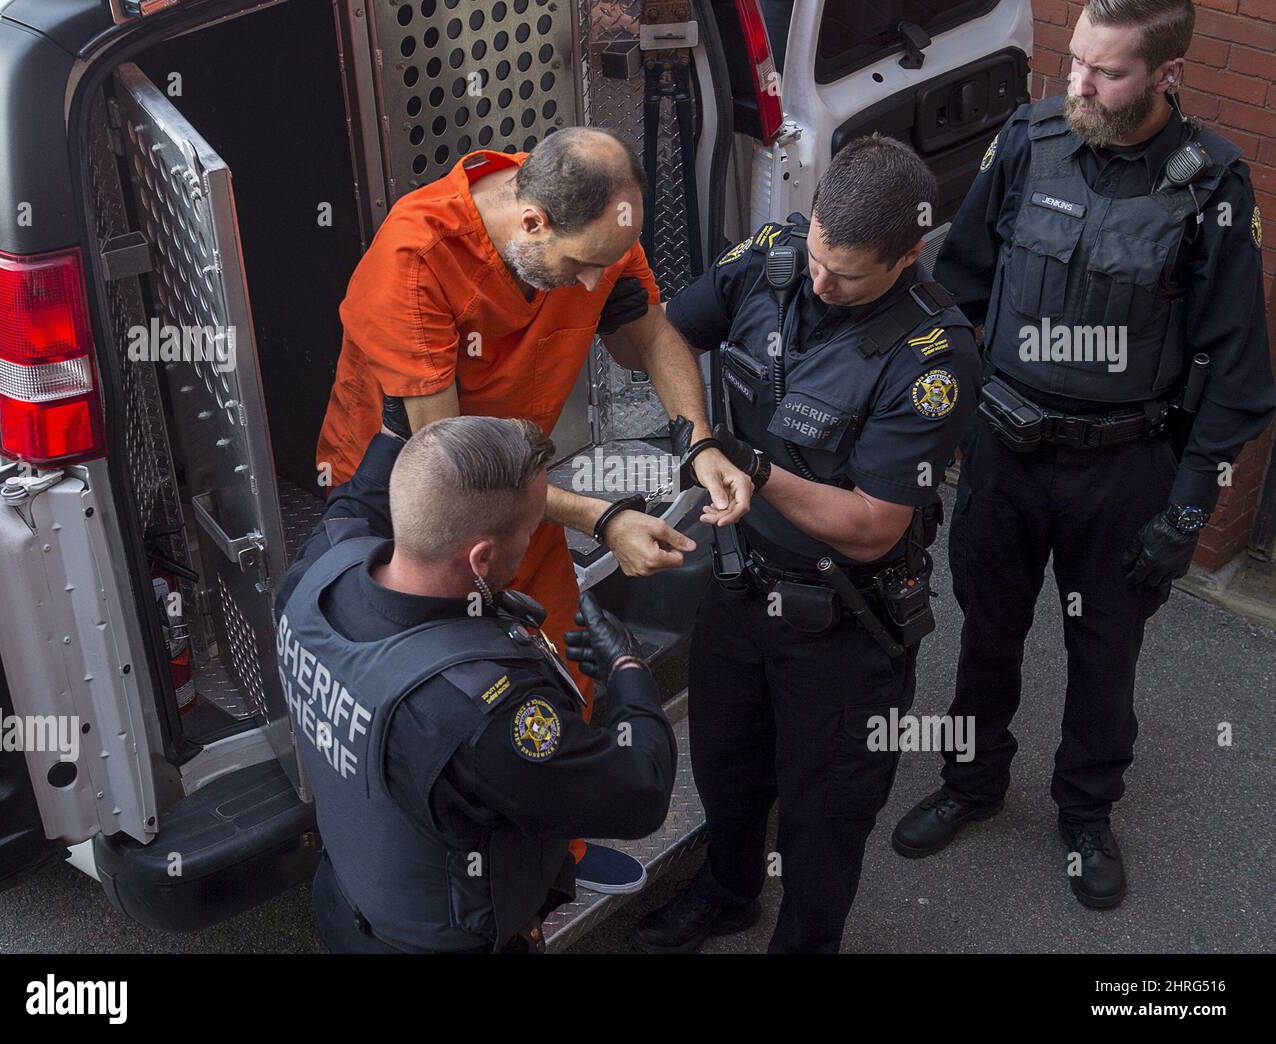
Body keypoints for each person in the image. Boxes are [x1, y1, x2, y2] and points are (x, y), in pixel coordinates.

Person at [891, 0, 1275, 910]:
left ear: (1165, 76)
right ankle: (972, 785)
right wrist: (926, 446)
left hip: (1122, 469)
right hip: (1007, 451)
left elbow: (1238, 374)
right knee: (987, 632)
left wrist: (1189, 508)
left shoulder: (1213, 185)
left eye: (1105, 72)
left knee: (1106, 653)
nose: (1079, 85)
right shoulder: (1029, 140)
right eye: (1074, 62)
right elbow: (957, 292)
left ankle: (1087, 811)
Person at [313, 126, 750, 892]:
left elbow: (649, 336)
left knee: (550, 669)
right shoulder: (416, 262)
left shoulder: (598, 222)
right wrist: (602, 518)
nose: (592, 288)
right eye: (580, 268)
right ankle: (458, 885)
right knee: (453, 703)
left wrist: (698, 444)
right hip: (415, 508)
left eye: (605, 264)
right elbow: (450, 470)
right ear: (532, 221)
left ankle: (555, 864)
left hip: (520, 496)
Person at [633, 135, 982, 953]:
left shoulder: (934, 358)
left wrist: (750, 464)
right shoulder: (772, 259)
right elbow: (662, 335)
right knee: (726, 767)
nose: (821, 281)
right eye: (819, 254)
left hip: (841, 625)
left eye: (848, 274)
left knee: (824, 817)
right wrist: (699, 436)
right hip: (737, 584)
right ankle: (726, 894)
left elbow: (872, 524)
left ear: (907, 255)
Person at [275, 418, 677, 953]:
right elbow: (641, 792)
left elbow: (357, 502)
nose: (535, 538)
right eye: (533, 529)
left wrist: (401, 428)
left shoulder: (317, 572)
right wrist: (628, 671)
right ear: (481, 559)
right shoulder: (484, 715)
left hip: (346, 903)